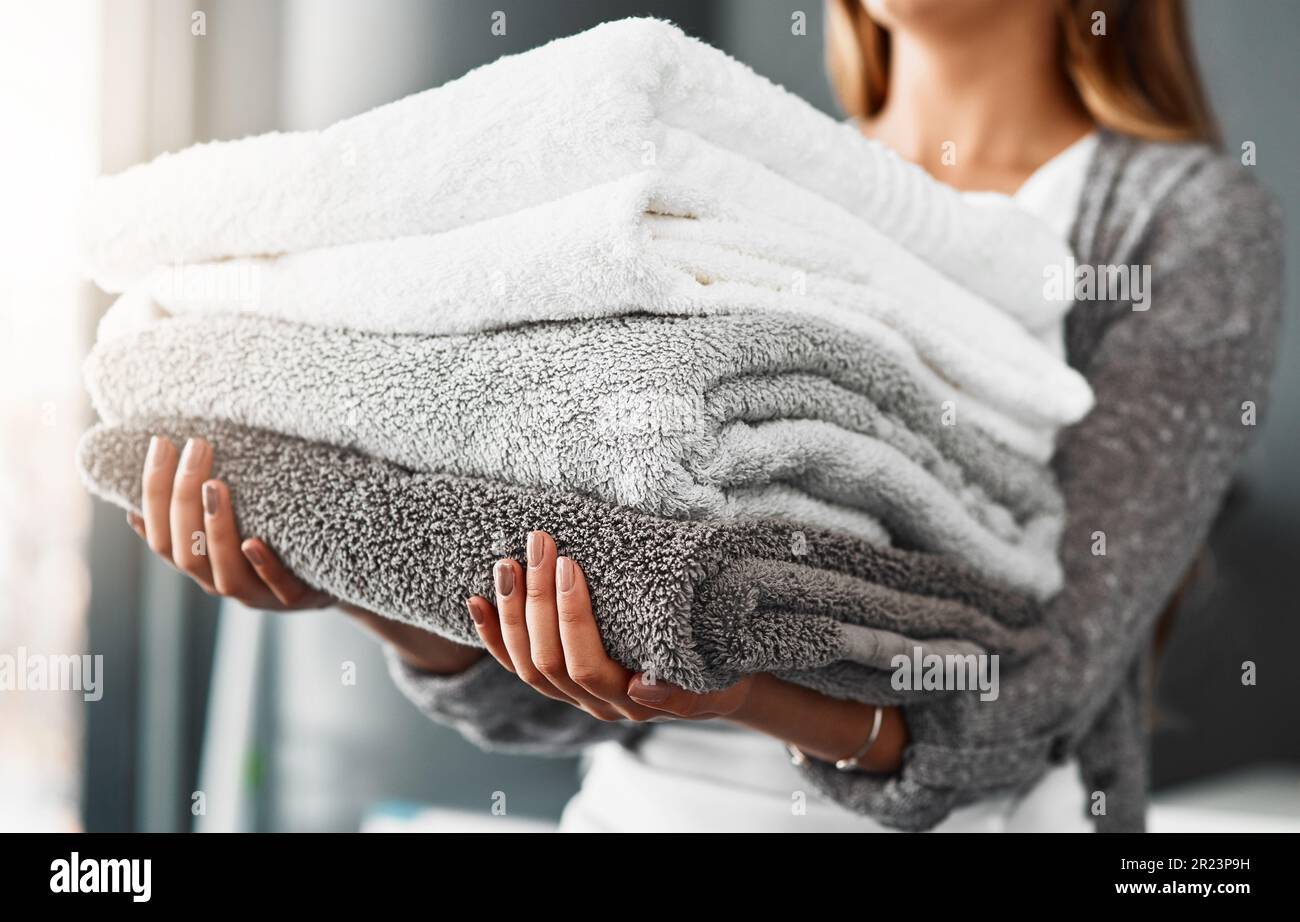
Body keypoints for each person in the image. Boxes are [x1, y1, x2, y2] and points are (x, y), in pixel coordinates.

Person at [127, 0, 1282, 832]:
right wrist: (367, 584)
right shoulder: (750, 192)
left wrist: (741, 685)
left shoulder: (1183, 219)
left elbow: (1042, 687)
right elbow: (555, 673)